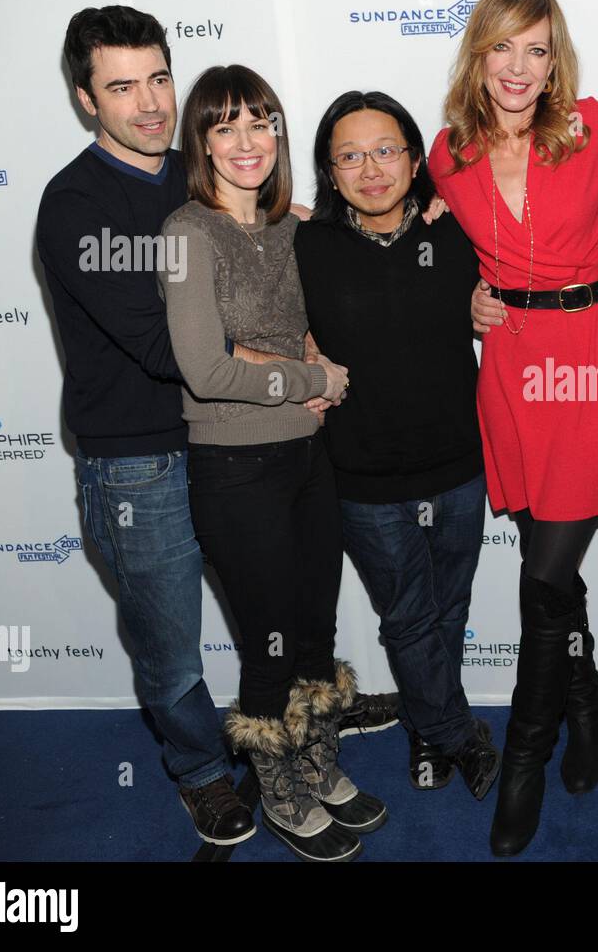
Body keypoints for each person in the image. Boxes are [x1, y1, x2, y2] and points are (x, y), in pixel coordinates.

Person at [429, 0, 598, 857]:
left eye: (538, 49)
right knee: (553, 558)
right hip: (509, 366)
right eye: (504, 47)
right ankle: (585, 706)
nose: (519, 67)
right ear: (480, 54)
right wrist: (465, 297)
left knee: (542, 579)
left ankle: (528, 750)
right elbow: (405, 234)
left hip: (587, 359)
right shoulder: (446, 152)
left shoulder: (593, 128)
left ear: (557, 63)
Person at [36, 5, 254, 849]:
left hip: (225, 437)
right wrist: (289, 363)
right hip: (138, 464)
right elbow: (171, 346)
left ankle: (277, 729)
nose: (152, 103)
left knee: (268, 603)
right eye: (122, 87)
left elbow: (268, 258)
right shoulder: (75, 203)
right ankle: (201, 771)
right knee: (172, 649)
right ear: (87, 101)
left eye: (159, 78)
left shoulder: (199, 174)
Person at [158, 64, 382, 863]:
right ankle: (278, 782)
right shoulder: (187, 233)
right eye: (226, 127)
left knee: (315, 626)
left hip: (307, 461)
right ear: (203, 143)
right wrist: (311, 381)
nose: (246, 142)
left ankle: (317, 763)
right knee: (272, 640)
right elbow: (206, 370)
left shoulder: (293, 225)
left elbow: (311, 315)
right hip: (234, 470)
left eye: (260, 123)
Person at [294, 89, 500, 802]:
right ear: (329, 170)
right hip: (365, 476)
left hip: (459, 463)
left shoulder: (459, 230)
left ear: (415, 158)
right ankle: (459, 735)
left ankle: (422, 724)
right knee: (408, 616)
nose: (371, 169)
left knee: (448, 608)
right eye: (349, 155)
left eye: (386, 150)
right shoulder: (306, 245)